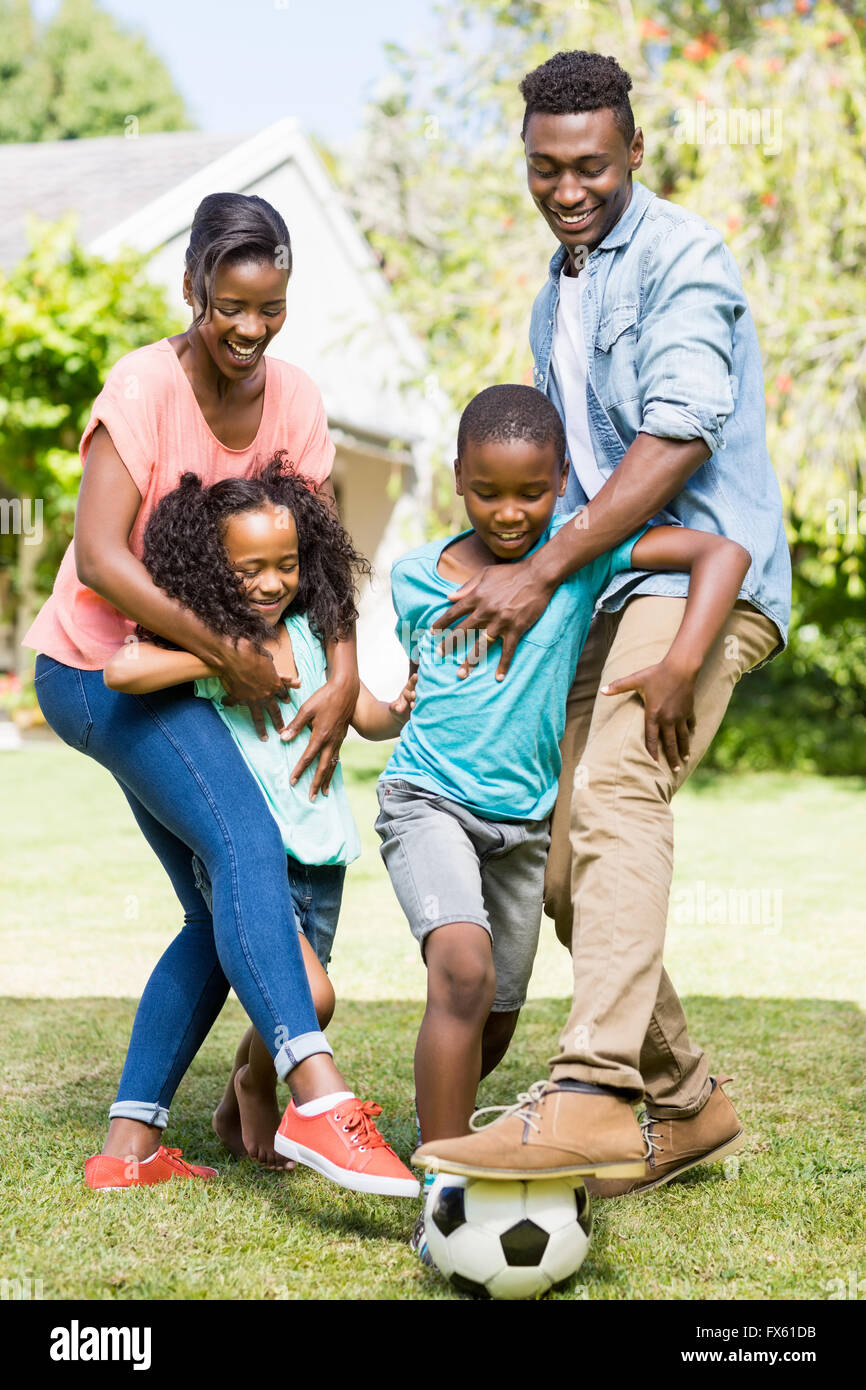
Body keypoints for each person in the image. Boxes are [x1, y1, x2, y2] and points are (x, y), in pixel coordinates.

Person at [413, 52, 792, 1193]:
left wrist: (553, 579)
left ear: (632, 153)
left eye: (588, 166)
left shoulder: (681, 258)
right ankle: (683, 1104)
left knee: (618, 793)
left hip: (692, 580)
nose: (565, 187)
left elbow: (673, 438)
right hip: (611, 586)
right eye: (543, 167)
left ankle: (592, 1088)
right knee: (566, 855)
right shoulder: (557, 286)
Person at [24, 191, 417, 1198]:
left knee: (219, 912)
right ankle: (318, 1098)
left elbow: (322, 552)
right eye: (227, 305)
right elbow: (102, 560)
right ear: (191, 287)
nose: (247, 329)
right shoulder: (144, 386)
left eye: (268, 307)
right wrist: (230, 653)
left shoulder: (294, 398)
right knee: (243, 841)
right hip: (99, 671)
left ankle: (129, 1148)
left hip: (192, 668)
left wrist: (338, 675)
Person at [379, 383, 751, 1257]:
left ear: (562, 488)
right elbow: (432, 685)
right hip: (427, 800)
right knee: (462, 974)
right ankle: (444, 1191)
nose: (510, 513)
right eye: (487, 491)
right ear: (458, 481)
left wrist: (680, 664)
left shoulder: (581, 557)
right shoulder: (411, 578)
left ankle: (448, 1120)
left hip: (522, 827)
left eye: (533, 492)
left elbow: (724, 554)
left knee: (495, 1018)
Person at [104, 459, 417, 1177]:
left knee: (288, 999)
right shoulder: (215, 644)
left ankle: (245, 1084)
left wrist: (399, 708)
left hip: (321, 858)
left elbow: (364, 716)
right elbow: (121, 673)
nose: (273, 583)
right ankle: (261, 1087)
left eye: (287, 564)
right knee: (312, 994)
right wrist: (216, 659)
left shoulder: (309, 633)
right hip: (252, 862)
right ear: (215, 569)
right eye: (250, 568)